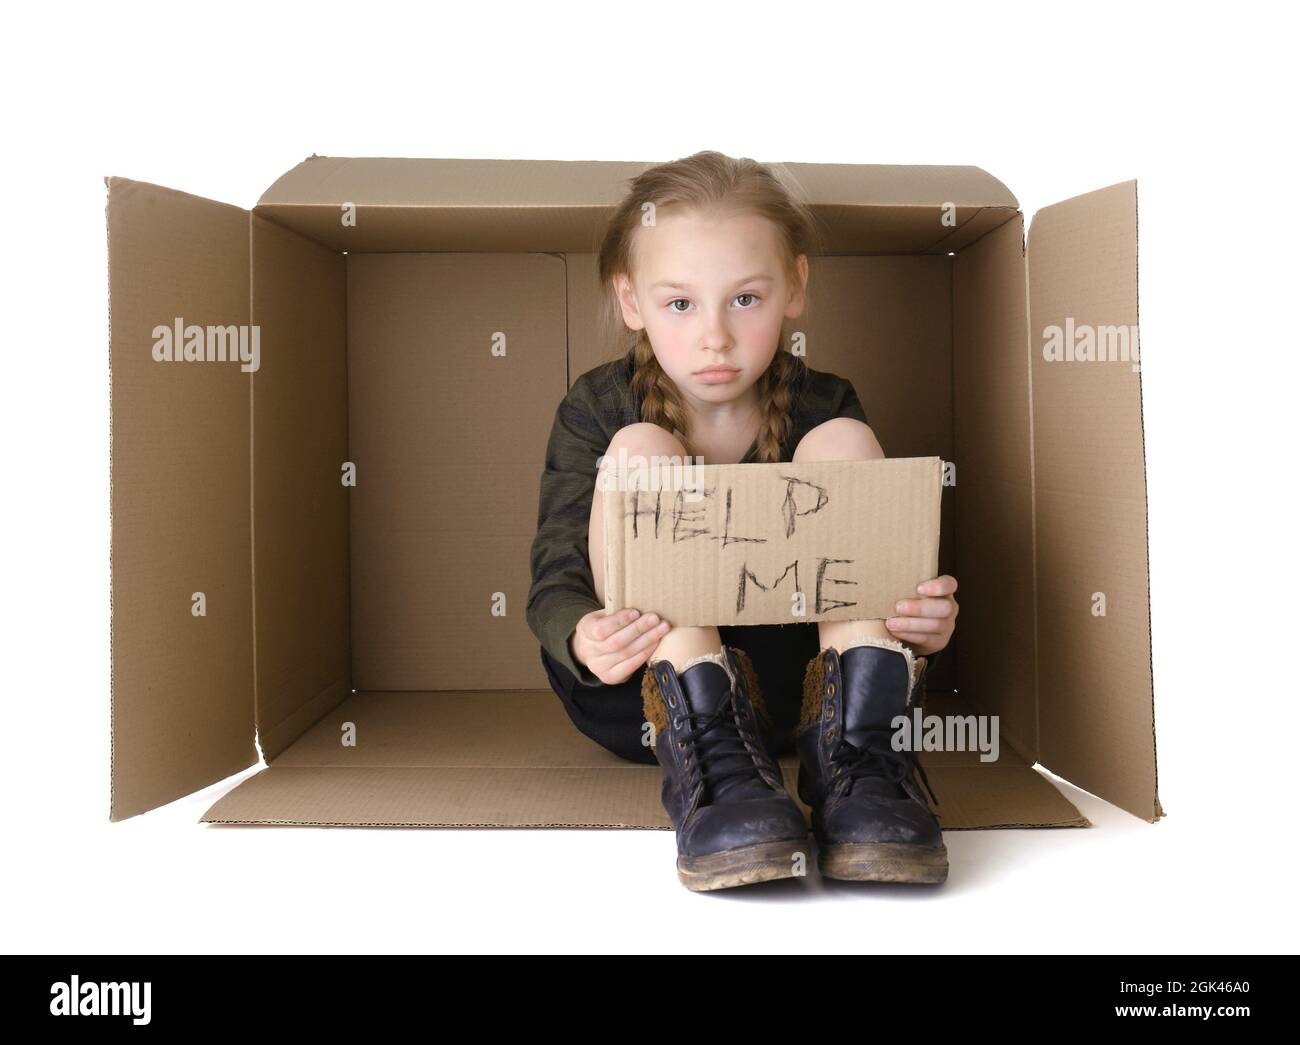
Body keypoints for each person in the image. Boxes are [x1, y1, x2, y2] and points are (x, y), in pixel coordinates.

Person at [526, 151, 958, 892]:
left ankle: (861, 763)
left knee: (844, 446)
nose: (715, 337)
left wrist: (918, 616)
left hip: (798, 695)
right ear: (631, 302)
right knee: (641, 451)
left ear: (795, 285)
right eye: (681, 304)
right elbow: (554, 575)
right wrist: (581, 633)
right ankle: (719, 777)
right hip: (644, 692)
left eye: (745, 299)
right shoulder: (597, 406)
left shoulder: (824, 401)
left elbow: (879, 569)